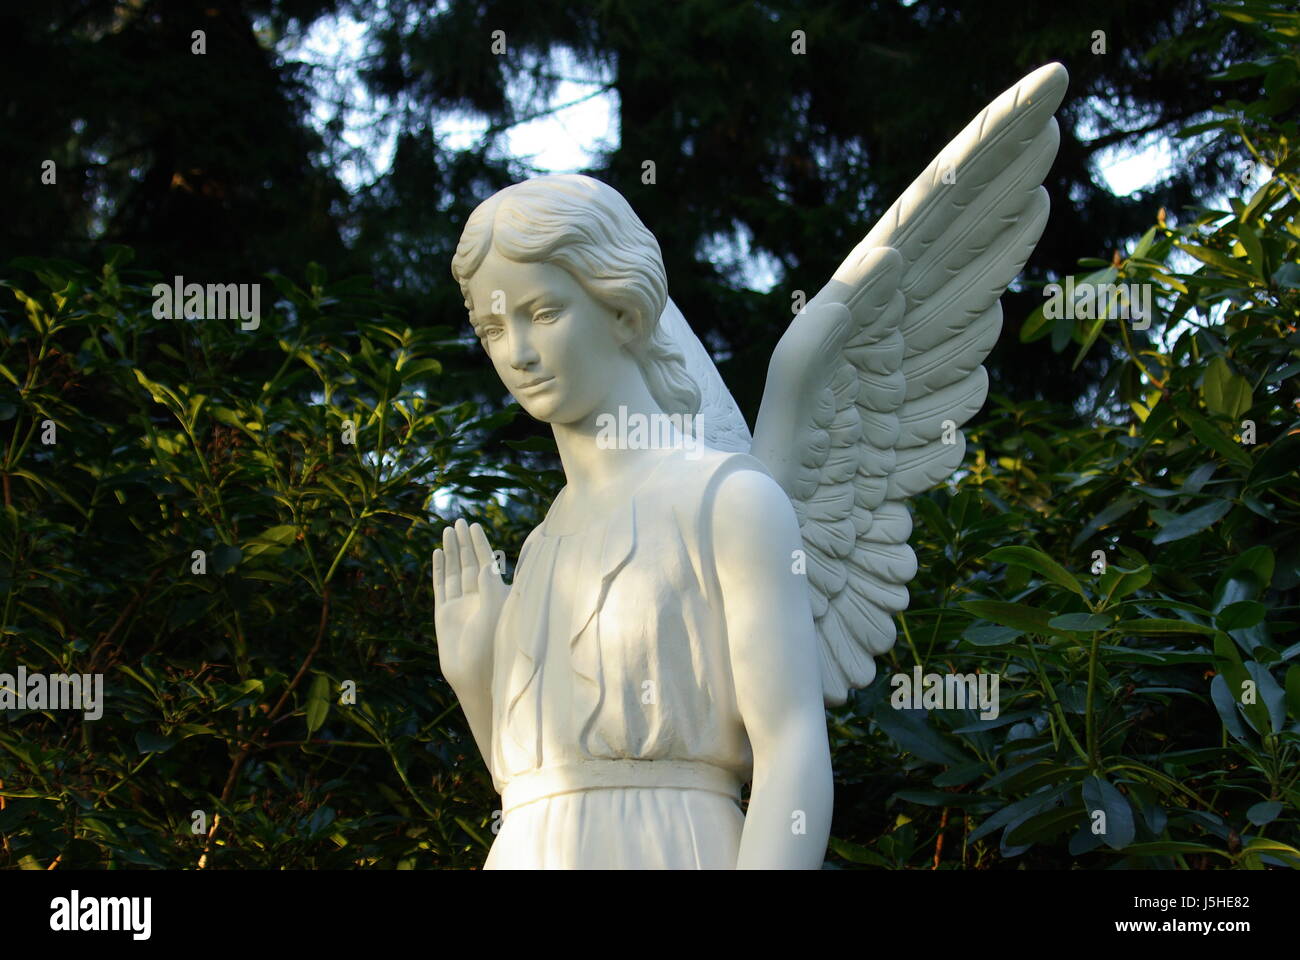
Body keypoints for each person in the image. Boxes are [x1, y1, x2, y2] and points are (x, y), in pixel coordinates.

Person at [436, 174, 832, 869]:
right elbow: (531, 787)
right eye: (494, 328)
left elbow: (793, 751)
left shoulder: (726, 498)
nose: (518, 353)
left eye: (544, 312)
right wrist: (474, 675)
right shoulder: (537, 549)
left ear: (623, 309)